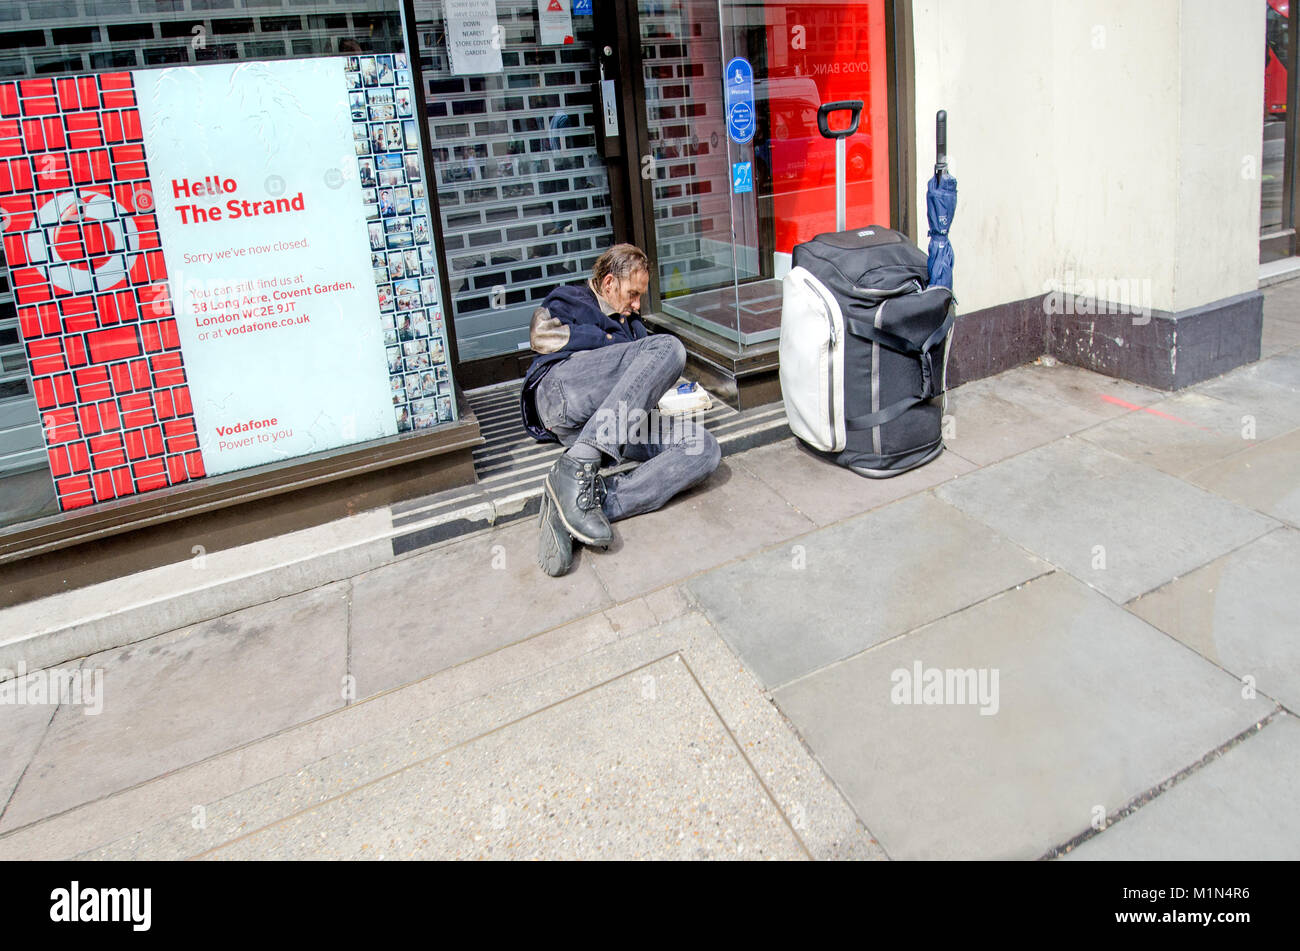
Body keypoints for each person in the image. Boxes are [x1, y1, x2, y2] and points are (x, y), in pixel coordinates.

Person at [520, 244, 721, 576]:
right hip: (563, 395)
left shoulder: (634, 324)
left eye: (640, 296)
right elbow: (541, 337)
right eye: (632, 294)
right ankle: (579, 466)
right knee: (669, 347)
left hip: (607, 424)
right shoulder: (569, 299)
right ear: (609, 282)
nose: (637, 304)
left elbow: (639, 387)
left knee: (704, 448)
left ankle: (590, 501)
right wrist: (613, 342)